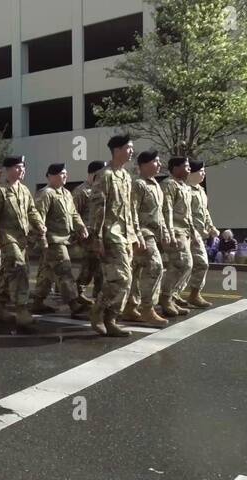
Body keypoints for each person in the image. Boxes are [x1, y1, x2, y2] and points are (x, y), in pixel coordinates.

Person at [90, 135, 144, 337]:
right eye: (128, 148)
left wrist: (136, 233)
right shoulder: (104, 175)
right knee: (122, 277)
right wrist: (97, 238)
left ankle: (110, 318)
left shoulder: (126, 177)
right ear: (116, 150)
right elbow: (97, 209)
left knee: (120, 280)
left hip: (125, 234)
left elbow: (131, 209)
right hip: (110, 234)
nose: (131, 151)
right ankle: (98, 312)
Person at [0, 156, 47, 326]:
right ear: (8, 170)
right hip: (7, 237)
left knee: (8, 271)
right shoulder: (0, 191)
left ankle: (0, 306)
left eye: (23, 167)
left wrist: (39, 224)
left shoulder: (24, 190)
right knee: (20, 267)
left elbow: (32, 210)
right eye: (18, 167)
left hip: (22, 238)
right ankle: (22, 309)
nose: (22, 170)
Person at [30, 163, 91, 317]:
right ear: (52, 176)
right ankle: (74, 304)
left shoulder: (66, 193)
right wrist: (42, 239)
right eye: (62, 173)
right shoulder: (46, 194)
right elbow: (39, 218)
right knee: (65, 270)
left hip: (64, 239)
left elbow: (74, 214)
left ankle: (37, 302)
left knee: (47, 273)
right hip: (53, 240)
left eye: (65, 173)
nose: (65, 176)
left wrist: (81, 227)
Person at [121, 150, 170, 328]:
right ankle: (147, 308)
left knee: (137, 272)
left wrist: (165, 231)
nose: (159, 164)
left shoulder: (156, 185)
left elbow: (160, 213)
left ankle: (130, 307)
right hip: (142, 232)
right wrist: (137, 235)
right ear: (143, 165)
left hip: (153, 233)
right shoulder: (138, 184)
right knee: (156, 266)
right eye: (155, 161)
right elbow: (131, 211)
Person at [159, 158, 193, 318]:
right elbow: (167, 210)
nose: (189, 169)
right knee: (181, 264)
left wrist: (192, 230)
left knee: (186, 265)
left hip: (185, 231)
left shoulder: (184, 187)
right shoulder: (168, 185)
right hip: (175, 231)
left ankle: (170, 297)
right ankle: (165, 298)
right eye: (185, 166)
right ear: (175, 168)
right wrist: (169, 232)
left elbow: (188, 213)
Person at [73, 161, 106, 302]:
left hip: (100, 236)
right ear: (93, 174)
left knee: (101, 269)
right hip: (87, 238)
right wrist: (79, 233)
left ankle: (99, 296)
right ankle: (77, 294)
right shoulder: (81, 191)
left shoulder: (101, 190)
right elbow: (73, 214)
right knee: (88, 268)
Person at [185, 161, 216, 308]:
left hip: (200, 234)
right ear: (192, 172)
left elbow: (205, 212)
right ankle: (188, 295)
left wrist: (211, 227)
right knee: (196, 264)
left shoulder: (201, 191)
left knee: (193, 265)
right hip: (189, 234)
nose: (204, 174)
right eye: (201, 171)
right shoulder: (185, 190)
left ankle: (192, 294)